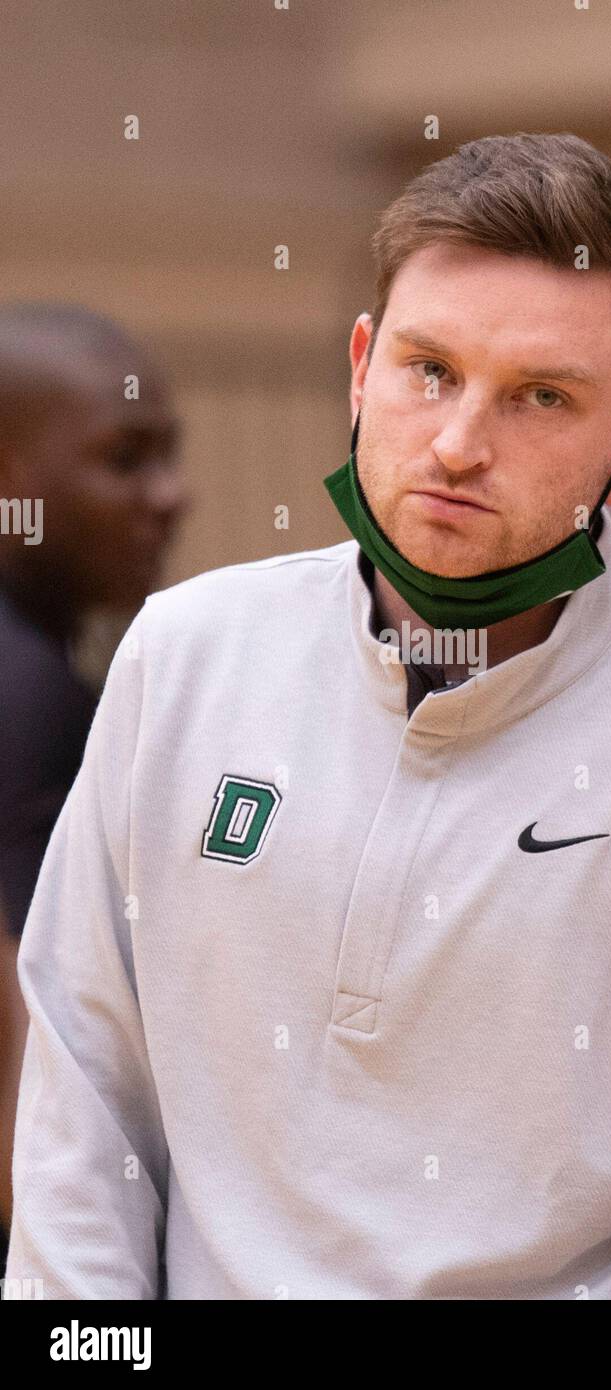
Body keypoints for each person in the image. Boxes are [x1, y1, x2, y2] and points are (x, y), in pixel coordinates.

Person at [4, 135, 611, 1301]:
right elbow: (82, 1106)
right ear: (362, 368)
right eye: (428, 369)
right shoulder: (184, 654)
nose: (459, 441)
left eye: (540, 396)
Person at [0, 303, 188, 1275]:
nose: (172, 495)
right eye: (126, 460)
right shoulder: (29, 694)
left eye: (169, 456)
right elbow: (36, 1046)